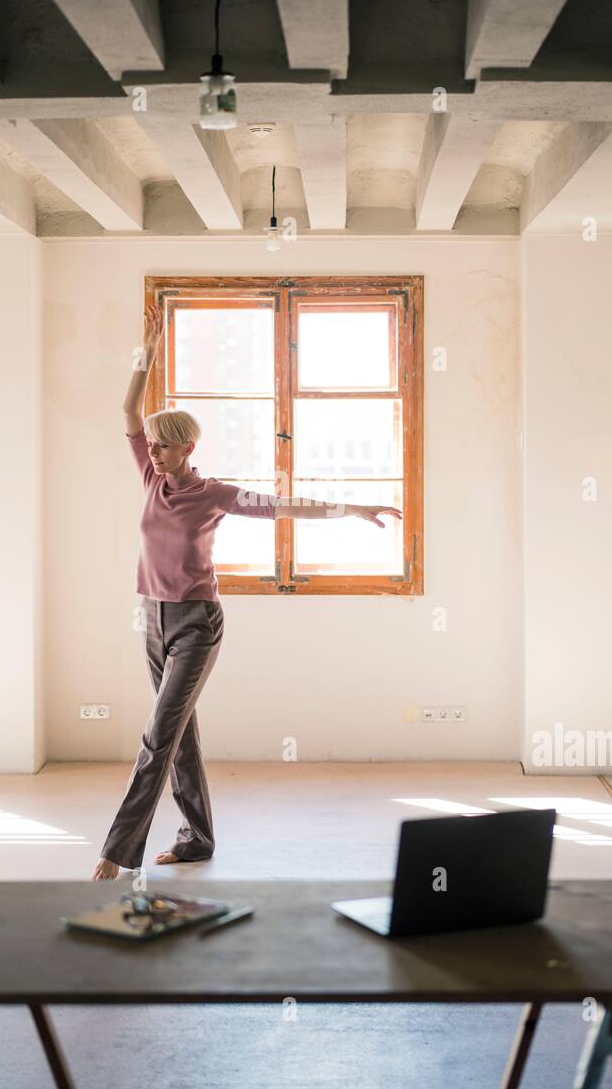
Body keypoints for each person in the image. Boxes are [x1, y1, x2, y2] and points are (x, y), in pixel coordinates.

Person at [91, 300, 403, 881]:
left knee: (159, 736)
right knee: (177, 735)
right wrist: (148, 353)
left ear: (186, 447)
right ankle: (197, 838)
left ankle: (116, 854)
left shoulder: (216, 494)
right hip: (151, 619)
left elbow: (284, 505)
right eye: (151, 446)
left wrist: (353, 506)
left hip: (196, 624)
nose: (152, 453)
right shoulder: (149, 479)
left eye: (163, 446)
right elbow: (127, 409)